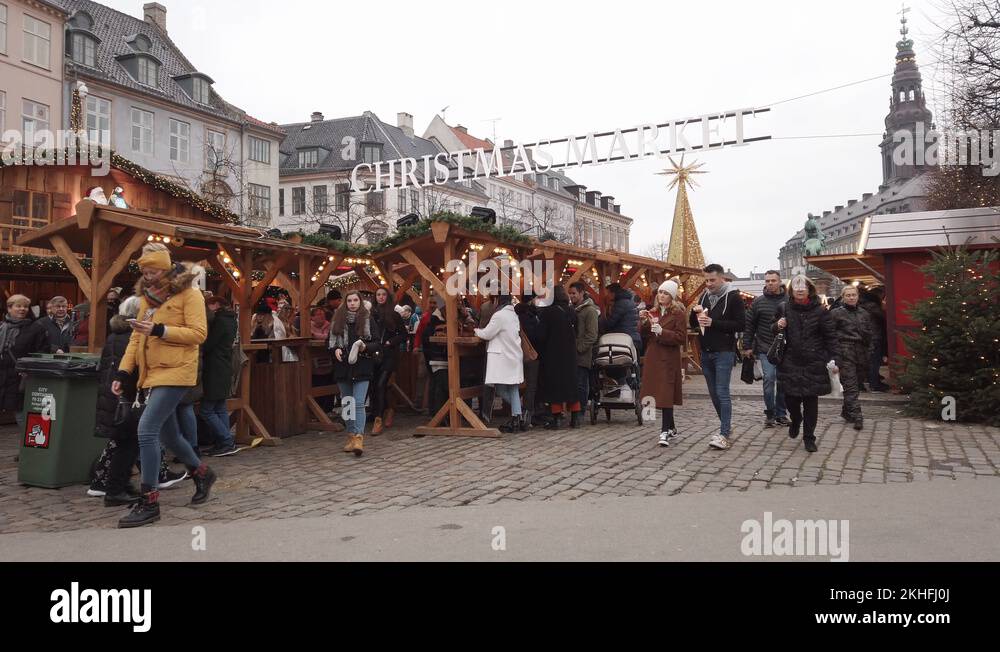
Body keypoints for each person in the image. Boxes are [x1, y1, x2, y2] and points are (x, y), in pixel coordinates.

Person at [112, 243, 215, 528]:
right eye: (144, 270)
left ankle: (149, 501)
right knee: (169, 436)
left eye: (153, 269)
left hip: (177, 371)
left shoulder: (190, 295)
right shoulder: (147, 299)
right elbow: (136, 339)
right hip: (152, 373)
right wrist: (122, 373)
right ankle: (202, 473)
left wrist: (160, 330)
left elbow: (198, 334)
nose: (148, 275)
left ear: (166, 268)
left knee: (146, 430)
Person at [773, 275, 840, 453]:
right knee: (791, 399)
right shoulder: (784, 308)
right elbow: (774, 331)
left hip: (814, 361)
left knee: (811, 401)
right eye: (797, 286)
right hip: (790, 360)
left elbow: (830, 337)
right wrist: (778, 325)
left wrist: (835, 358)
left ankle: (809, 437)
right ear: (791, 290)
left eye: (804, 286)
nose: (800, 289)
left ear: (809, 289)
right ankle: (796, 419)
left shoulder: (821, 311)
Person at [690, 263, 745, 451]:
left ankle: (723, 433)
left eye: (712, 280)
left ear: (722, 278)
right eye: (706, 280)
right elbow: (694, 324)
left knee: (722, 392)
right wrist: (695, 312)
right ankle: (727, 428)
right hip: (706, 351)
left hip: (724, 351)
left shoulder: (733, 296)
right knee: (713, 394)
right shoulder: (704, 296)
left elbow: (740, 324)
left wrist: (714, 323)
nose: (709, 284)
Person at [93, 296, 142, 507]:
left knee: (124, 444)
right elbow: (131, 370)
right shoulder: (130, 337)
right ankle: (114, 489)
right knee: (127, 444)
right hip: (124, 399)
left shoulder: (115, 335)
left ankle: (120, 484)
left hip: (112, 397)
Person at [640, 280, 688, 446]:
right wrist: (644, 323)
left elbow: (681, 337)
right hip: (653, 356)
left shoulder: (678, 314)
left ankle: (664, 431)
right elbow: (645, 334)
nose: (661, 295)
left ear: (672, 297)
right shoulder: (653, 312)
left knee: (666, 392)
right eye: (660, 292)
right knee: (655, 392)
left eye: (666, 293)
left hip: (668, 357)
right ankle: (671, 427)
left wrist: (663, 332)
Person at [329, 290, 377, 456]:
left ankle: (358, 436)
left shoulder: (367, 319)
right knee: (347, 402)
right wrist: (335, 349)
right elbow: (330, 342)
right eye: (349, 300)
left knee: (358, 402)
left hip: (362, 365)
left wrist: (365, 347)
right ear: (345, 302)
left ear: (360, 302)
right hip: (343, 366)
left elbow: (376, 342)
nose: (353, 303)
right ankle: (350, 435)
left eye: (356, 300)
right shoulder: (338, 320)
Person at [741, 270, 790, 428]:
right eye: (767, 281)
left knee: (782, 381)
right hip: (765, 346)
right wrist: (747, 346)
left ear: (779, 281)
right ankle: (770, 412)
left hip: (786, 347)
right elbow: (749, 325)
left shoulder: (789, 301)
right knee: (769, 379)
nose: (770, 283)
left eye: (773, 280)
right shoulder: (758, 302)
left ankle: (781, 413)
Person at [474, 293, 524, 433]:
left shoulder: (499, 316)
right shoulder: (513, 315)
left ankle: (518, 415)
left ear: (497, 301)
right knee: (513, 388)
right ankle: (517, 417)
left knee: (500, 388)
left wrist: (475, 330)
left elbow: (487, 334)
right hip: (513, 355)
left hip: (503, 358)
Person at [0, 295, 49, 429]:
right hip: (2, 376)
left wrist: (29, 369)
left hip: (22, 378)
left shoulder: (36, 329)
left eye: (25, 306)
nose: (22, 309)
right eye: (18, 306)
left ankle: (32, 447)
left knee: (22, 415)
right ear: (9, 308)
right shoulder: (2, 327)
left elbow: (43, 353)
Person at [830, 286, 873, 431]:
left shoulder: (864, 313)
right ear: (843, 297)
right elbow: (830, 335)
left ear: (858, 296)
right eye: (848, 295)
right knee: (850, 384)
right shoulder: (836, 313)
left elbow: (870, 334)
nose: (851, 297)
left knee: (858, 382)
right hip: (845, 351)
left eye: (853, 295)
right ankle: (857, 415)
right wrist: (834, 355)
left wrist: (870, 349)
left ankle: (846, 411)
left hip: (862, 352)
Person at [536, 285, 579, 429]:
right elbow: (577, 331)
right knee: (571, 385)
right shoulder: (572, 311)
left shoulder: (548, 312)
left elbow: (541, 335)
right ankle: (575, 419)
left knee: (555, 386)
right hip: (570, 353)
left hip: (553, 354)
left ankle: (556, 419)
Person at [201, 295, 239, 456]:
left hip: (214, 367)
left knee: (207, 410)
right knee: (220, 408)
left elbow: (209, 344)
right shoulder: (231, 319)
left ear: (215, 304)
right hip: (223, 365)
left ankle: (226, 440)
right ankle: (224, 441)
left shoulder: (219, 321)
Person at [370, 287, 405, 435]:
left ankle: (378, 419)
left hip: (388, 354)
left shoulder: (394, 314)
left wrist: (391, 342)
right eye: (378, 294)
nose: (381, 297)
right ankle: (383, 411)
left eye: (383, 294)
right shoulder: (370, 313)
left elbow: (403, 334)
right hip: (374, 353)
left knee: (381, 384)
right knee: (375, 386)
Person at [569, 282, 600, 419]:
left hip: (583, 353)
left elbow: (592, 335)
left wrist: (579, 348)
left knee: (581, 383)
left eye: (574, 293)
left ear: (581, 293)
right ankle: (576, 409)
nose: (571, 296)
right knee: (575, 383)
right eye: (570, 293)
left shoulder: (590, 310)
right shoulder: (574, 309)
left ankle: (580, 411)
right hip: (573, 353)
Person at [515, 290, 545, 428]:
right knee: (531, 385)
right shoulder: (530, 315)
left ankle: (516, 412)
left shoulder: (517, 314)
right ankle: (528, 414)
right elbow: (534, 336)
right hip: (531, 354)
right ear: (531, 299)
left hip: (516, 354)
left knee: (517, 384)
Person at [860, 287, 890, 391]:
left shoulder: (862, 305)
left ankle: (873, 380)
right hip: (875, 336)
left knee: (871, 361)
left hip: (868, 336)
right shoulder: (872, 306)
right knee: (875, 361)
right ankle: (875, 383)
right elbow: (884, 317)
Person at [599, 283, 642, 354]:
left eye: (608, 293)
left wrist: (602, 317)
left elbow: (610, 324)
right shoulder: (629, 301)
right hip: (632, 339)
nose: (606, 296)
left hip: (624, 340)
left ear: (613, 293)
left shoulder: (620, 304)